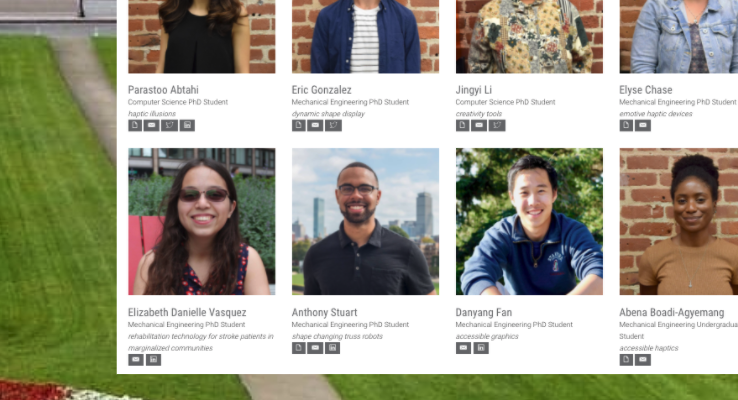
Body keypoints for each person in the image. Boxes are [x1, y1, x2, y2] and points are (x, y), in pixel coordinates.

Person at [460, 153, 603, 295]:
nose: (533, 201)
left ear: (554, 194)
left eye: (541, 191)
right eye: (524, 193)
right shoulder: (501, 233)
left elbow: (600, 272)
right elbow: (475, 274)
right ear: (512, 198)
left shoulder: (572, 231)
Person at [134, 157, 270, 295]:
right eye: (189, 195)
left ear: (231, 208)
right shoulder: (151, 264)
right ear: (176, 206)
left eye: (216, 194)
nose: (202, 204)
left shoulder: (248, 261)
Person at [300, 161, 433, 294]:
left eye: (365, 188)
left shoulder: (408, 251)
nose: (356, 195)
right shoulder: (316, 255)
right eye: (347, 188)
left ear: (378, 196)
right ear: (337, 196)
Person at [638, 154, 738, 294]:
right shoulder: (653, 256)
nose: (690, 208)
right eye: (682, 201)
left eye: (700, 200)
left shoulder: (733, 256)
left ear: (714, 205)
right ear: (674, 205)